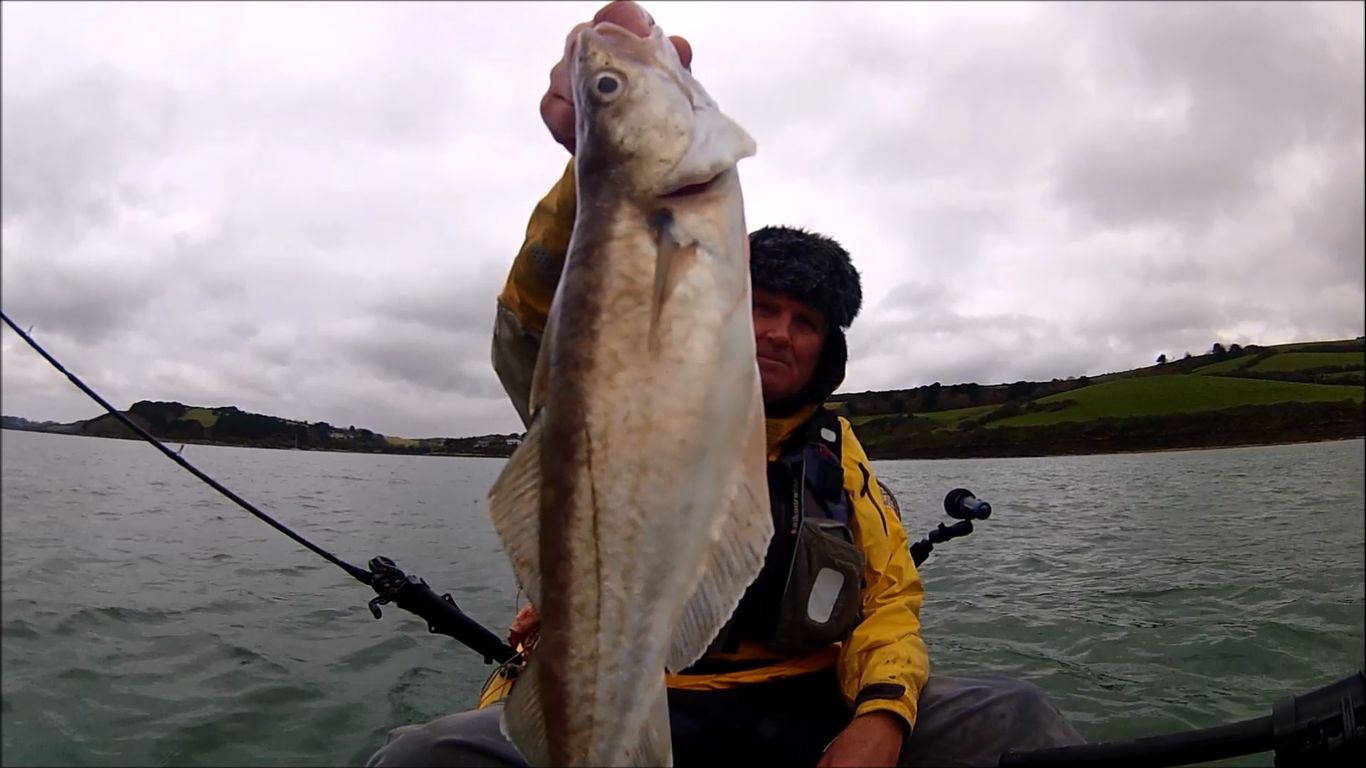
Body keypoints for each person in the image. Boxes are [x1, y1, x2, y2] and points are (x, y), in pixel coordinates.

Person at [368, 3, 1085, 766]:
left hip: (807, 698)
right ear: (725, 299)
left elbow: (889, 605)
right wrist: (588, 159)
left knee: (1017, 714)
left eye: (803, 321)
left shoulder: (838, 455)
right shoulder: (629, 369)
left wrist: (882, 717)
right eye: (764, 307)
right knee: (424, 756)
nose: (777, 331)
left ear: (828, 348)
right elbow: (535, 328)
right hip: (648, 695)